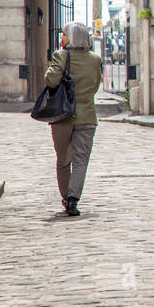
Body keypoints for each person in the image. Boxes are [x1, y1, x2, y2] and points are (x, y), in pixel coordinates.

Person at [45, 21, 103, 216]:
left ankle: (65, 197)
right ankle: (72, 199)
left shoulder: (61, 56)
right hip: (87, 115)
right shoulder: (95, 59)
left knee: (63, 160)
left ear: (72, 37)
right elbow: (95, 85)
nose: (61, 38)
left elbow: (50, 81)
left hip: (62, 116)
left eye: (64, 35)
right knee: (81, 160)